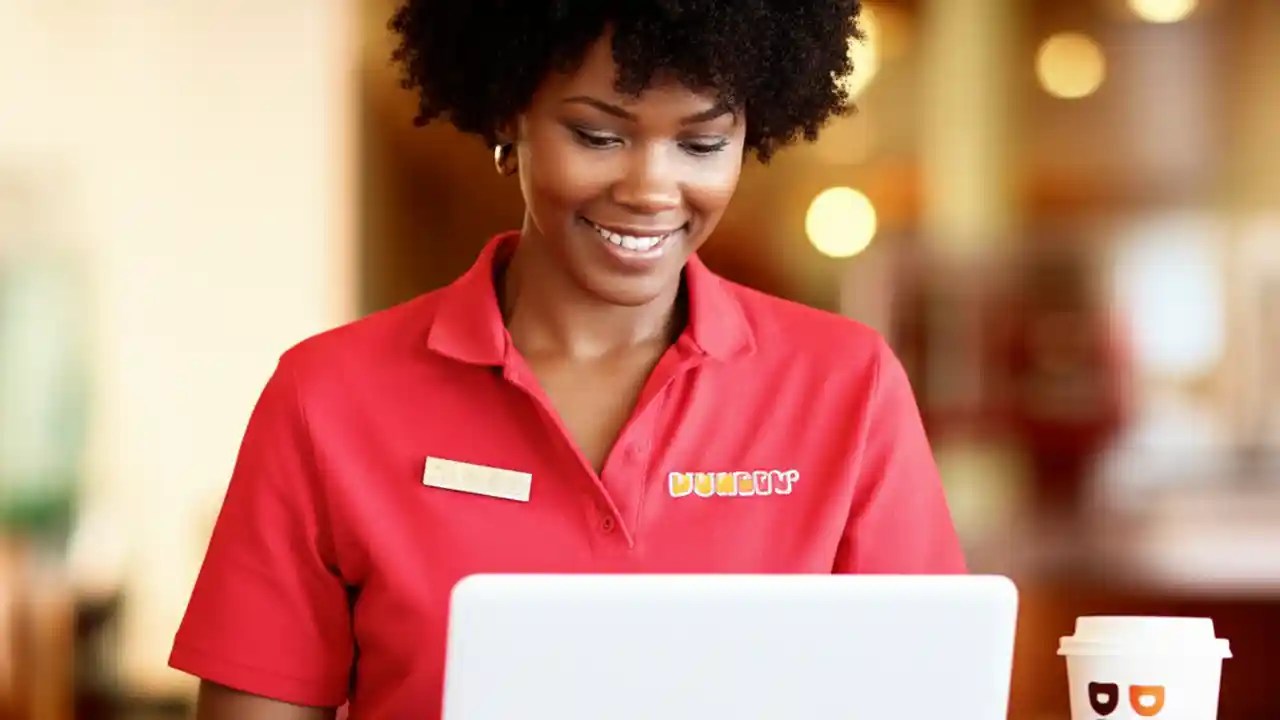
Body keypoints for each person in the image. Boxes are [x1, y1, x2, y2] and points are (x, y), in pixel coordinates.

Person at [171, 1, 966, 718]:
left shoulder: (845, 387)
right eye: (598, 135)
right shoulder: (330, 398)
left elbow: (929, 697)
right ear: (510, 113)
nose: (653, 187)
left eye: (700, 143)